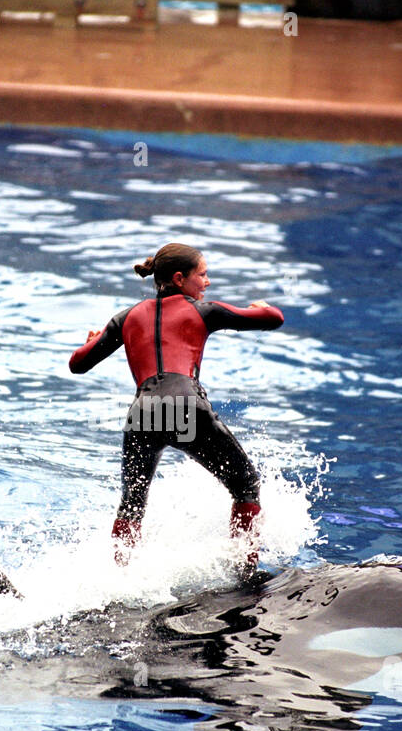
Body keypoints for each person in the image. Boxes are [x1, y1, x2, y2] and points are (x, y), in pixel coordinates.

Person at [68, 242, 285, 579]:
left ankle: (116, 580)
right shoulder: (203, 311)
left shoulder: (125, 318)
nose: (208, 282)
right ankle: (245, 574)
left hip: (143, 413)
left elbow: (78, 364)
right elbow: (273, 319)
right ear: (180, 279)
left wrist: (88, 341)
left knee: (132, 505)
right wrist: (262, 306)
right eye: (203, 274)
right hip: (186, 406)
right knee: (245, 485)